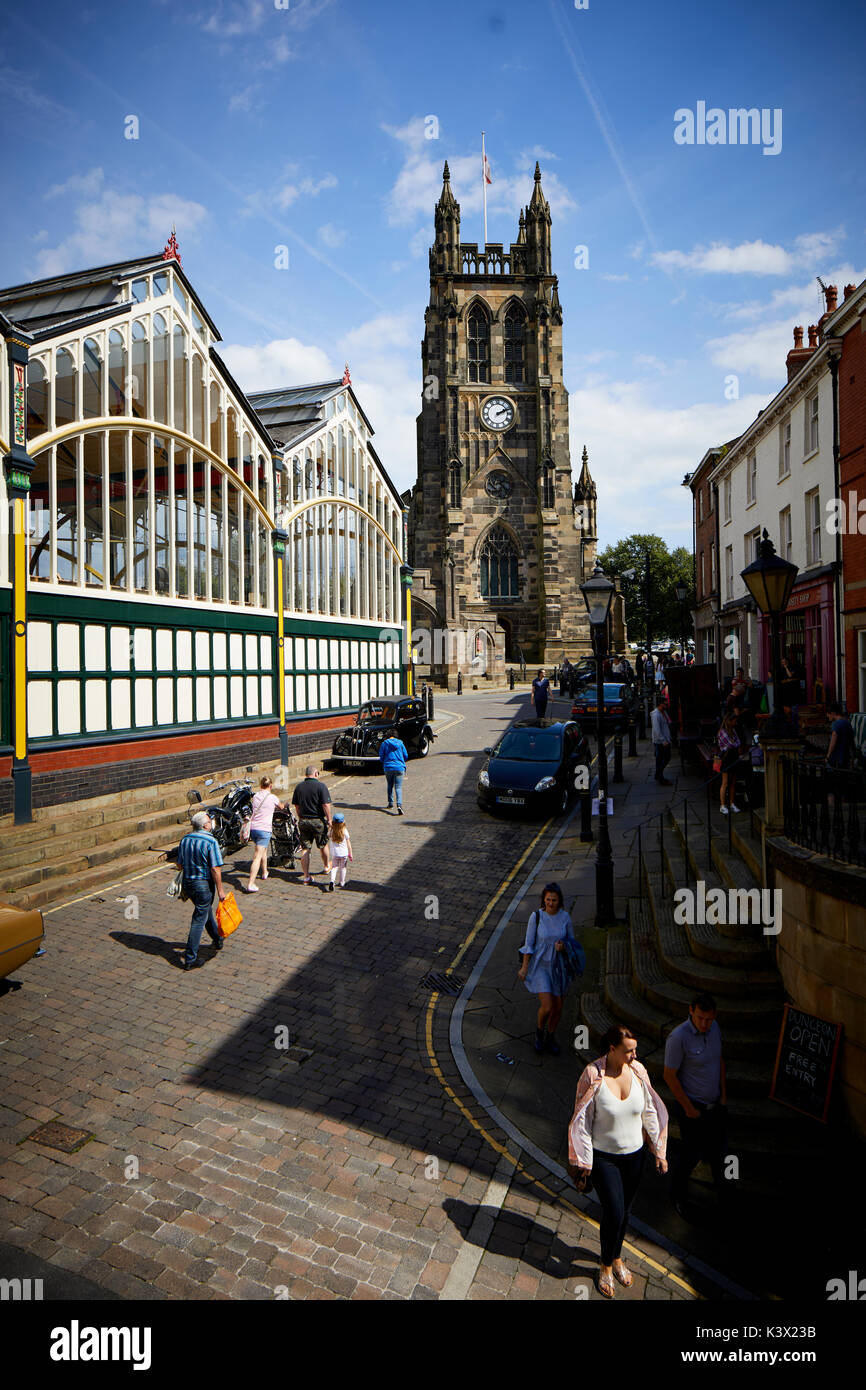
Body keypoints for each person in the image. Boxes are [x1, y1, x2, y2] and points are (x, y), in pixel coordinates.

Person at [568, 1025, 668, 1298]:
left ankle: (617, 1257)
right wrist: (584, 1160)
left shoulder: (639, 1072)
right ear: (611, 1049)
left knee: (626, 1212)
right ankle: (605, 1265)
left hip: (634, 1156)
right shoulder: (592, 1075)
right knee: (613, 1211)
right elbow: (582, 1121)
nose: (634, 1056)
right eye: (628, 1051)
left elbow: (649, 1112)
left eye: (635, 1050)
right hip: (604, 1158)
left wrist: (659, 1151)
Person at [663, 994, 728, 1221]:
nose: (704, 1024)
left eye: (708, 1019)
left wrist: (724, 1097)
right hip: (693, 1108)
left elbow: (719, 1061)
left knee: (720, 1155)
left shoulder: (715, 1029)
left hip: (715, 1106)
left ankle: (725, 1201)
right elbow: (669, 1076)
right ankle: (678, 1195)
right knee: (690, 1155)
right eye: (700, 1018)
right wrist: (689, 1108)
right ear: (691, 1011)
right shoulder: (678, 1038)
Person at [517, 883, 579, 1056]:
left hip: (559, 968)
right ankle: (539, 1032)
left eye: (554, 900)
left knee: (558, 1007)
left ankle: (550, 1037)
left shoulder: (565, 917)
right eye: (548, 899)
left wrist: (564, 947)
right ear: (544, 900)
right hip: (541, 967)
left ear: (560, 901)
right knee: (548, 1006)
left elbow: (572, 942)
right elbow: (528, 944)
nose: (551, 903)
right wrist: (524, 968)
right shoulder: (536, 917)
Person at [176, 810, 227, 971]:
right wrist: (220, 890)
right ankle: (190, 958)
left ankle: (217, 939)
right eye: (210, 821)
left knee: (205, 911)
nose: (212, 822)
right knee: (199, 918)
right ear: (205, 825)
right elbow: (215, 868)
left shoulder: (185, 839)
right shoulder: (210, 841)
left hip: (188, 883)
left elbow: (179, 864)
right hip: (203, 884)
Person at [292, 765, 333, 885]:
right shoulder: (321, 786)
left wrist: (301, 817)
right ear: (316, 774)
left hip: (304, 821)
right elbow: (325, 805)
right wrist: (329, 819)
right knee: (323, 845)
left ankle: (306, 876)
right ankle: (326, 866)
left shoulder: (299, 787)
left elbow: (297, 806)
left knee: (305, 849)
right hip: (318, 821)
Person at [245, 775, 286, 893]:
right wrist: (285, 804)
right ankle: (251, 883)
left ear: (261, 785)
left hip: (253, 829)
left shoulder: (256, 796)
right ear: (271, 785)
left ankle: (264, 872)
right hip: (264, 829)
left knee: (263, 849)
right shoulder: (272, 797)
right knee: (257, 855)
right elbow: (281, 807)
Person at [379, 729, 408, 814]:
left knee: (390, 785)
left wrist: (385, 761)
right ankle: (399, 805)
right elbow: (405, 755)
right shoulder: (400, 743)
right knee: (398, 787)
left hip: (388, 767)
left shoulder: (384, 744)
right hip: (399, 767)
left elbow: (381, 756)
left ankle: (390, 803)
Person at [717, 713, 742, 814]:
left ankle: (732, 803)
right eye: (734, 721)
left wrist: (735, 743)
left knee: (732, 783)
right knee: (725, 782)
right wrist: (734, 743)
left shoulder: (733, 731)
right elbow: (730, 744)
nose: (735, 723)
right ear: (729, 721)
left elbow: (738, 742)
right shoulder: (722, 732)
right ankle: (723, 805)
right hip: (726, 758)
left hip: (734, 757)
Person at [327, 813, 353, 890]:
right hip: (344, 853)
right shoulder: (344, 831)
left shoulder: (332, 831)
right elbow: (348, 843)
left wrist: (330, 827)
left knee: (334, 867)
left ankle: (332, 881)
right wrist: (350, 853)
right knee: (343, 867)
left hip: (335, 853)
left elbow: (327, 835)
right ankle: (342, 882)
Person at [651, 693, 672, 785]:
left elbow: (668, 722)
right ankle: (660, 777)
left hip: (665, 739)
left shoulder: (663, 712)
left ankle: (658, 775)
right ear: (660, 704)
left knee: (659, 759)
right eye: (665, 704)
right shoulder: (656, 715)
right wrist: (663, 741)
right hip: (660, 742)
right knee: (666, 758)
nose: (667, 706)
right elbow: (656, 730)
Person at [826, 702, 854, 769]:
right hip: (846, 757)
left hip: (837, 758)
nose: (827, 716)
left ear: (833, 713)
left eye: (828, 714)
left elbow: (833, 741)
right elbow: (851, 740)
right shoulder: (847, 722)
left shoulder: (836, 724)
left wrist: (828, 756)